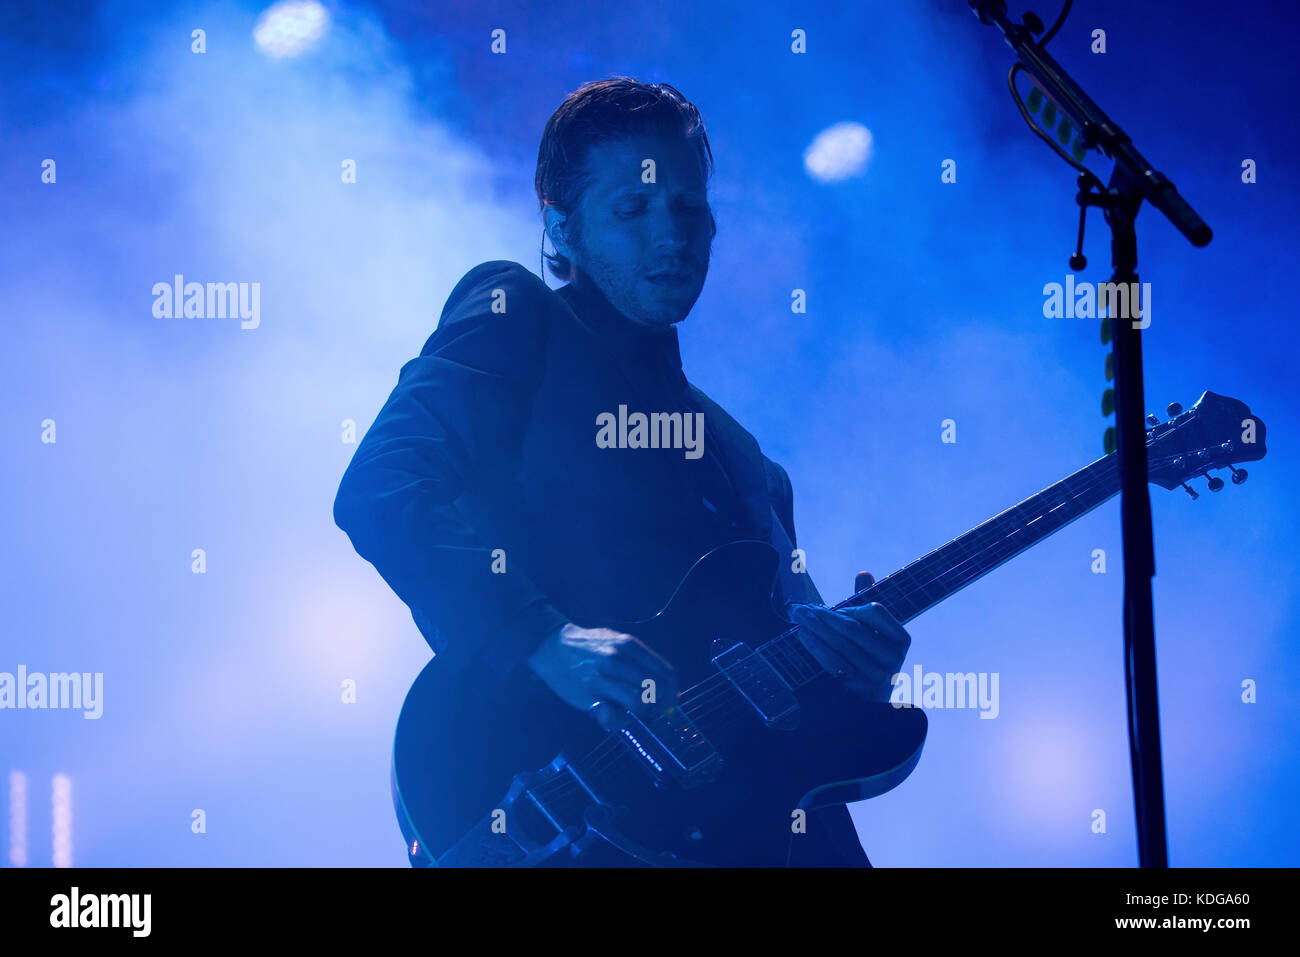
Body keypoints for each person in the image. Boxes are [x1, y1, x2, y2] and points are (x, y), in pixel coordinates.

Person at [333, 76, 911, 866]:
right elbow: (382, 485)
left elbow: (781, 687)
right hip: (556, 802)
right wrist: (542, 637)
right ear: (561, 230)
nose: (670, 236)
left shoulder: (745, 461)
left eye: (688, 208)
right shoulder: (517, 313)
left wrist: (856, 678)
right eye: (631, 211)